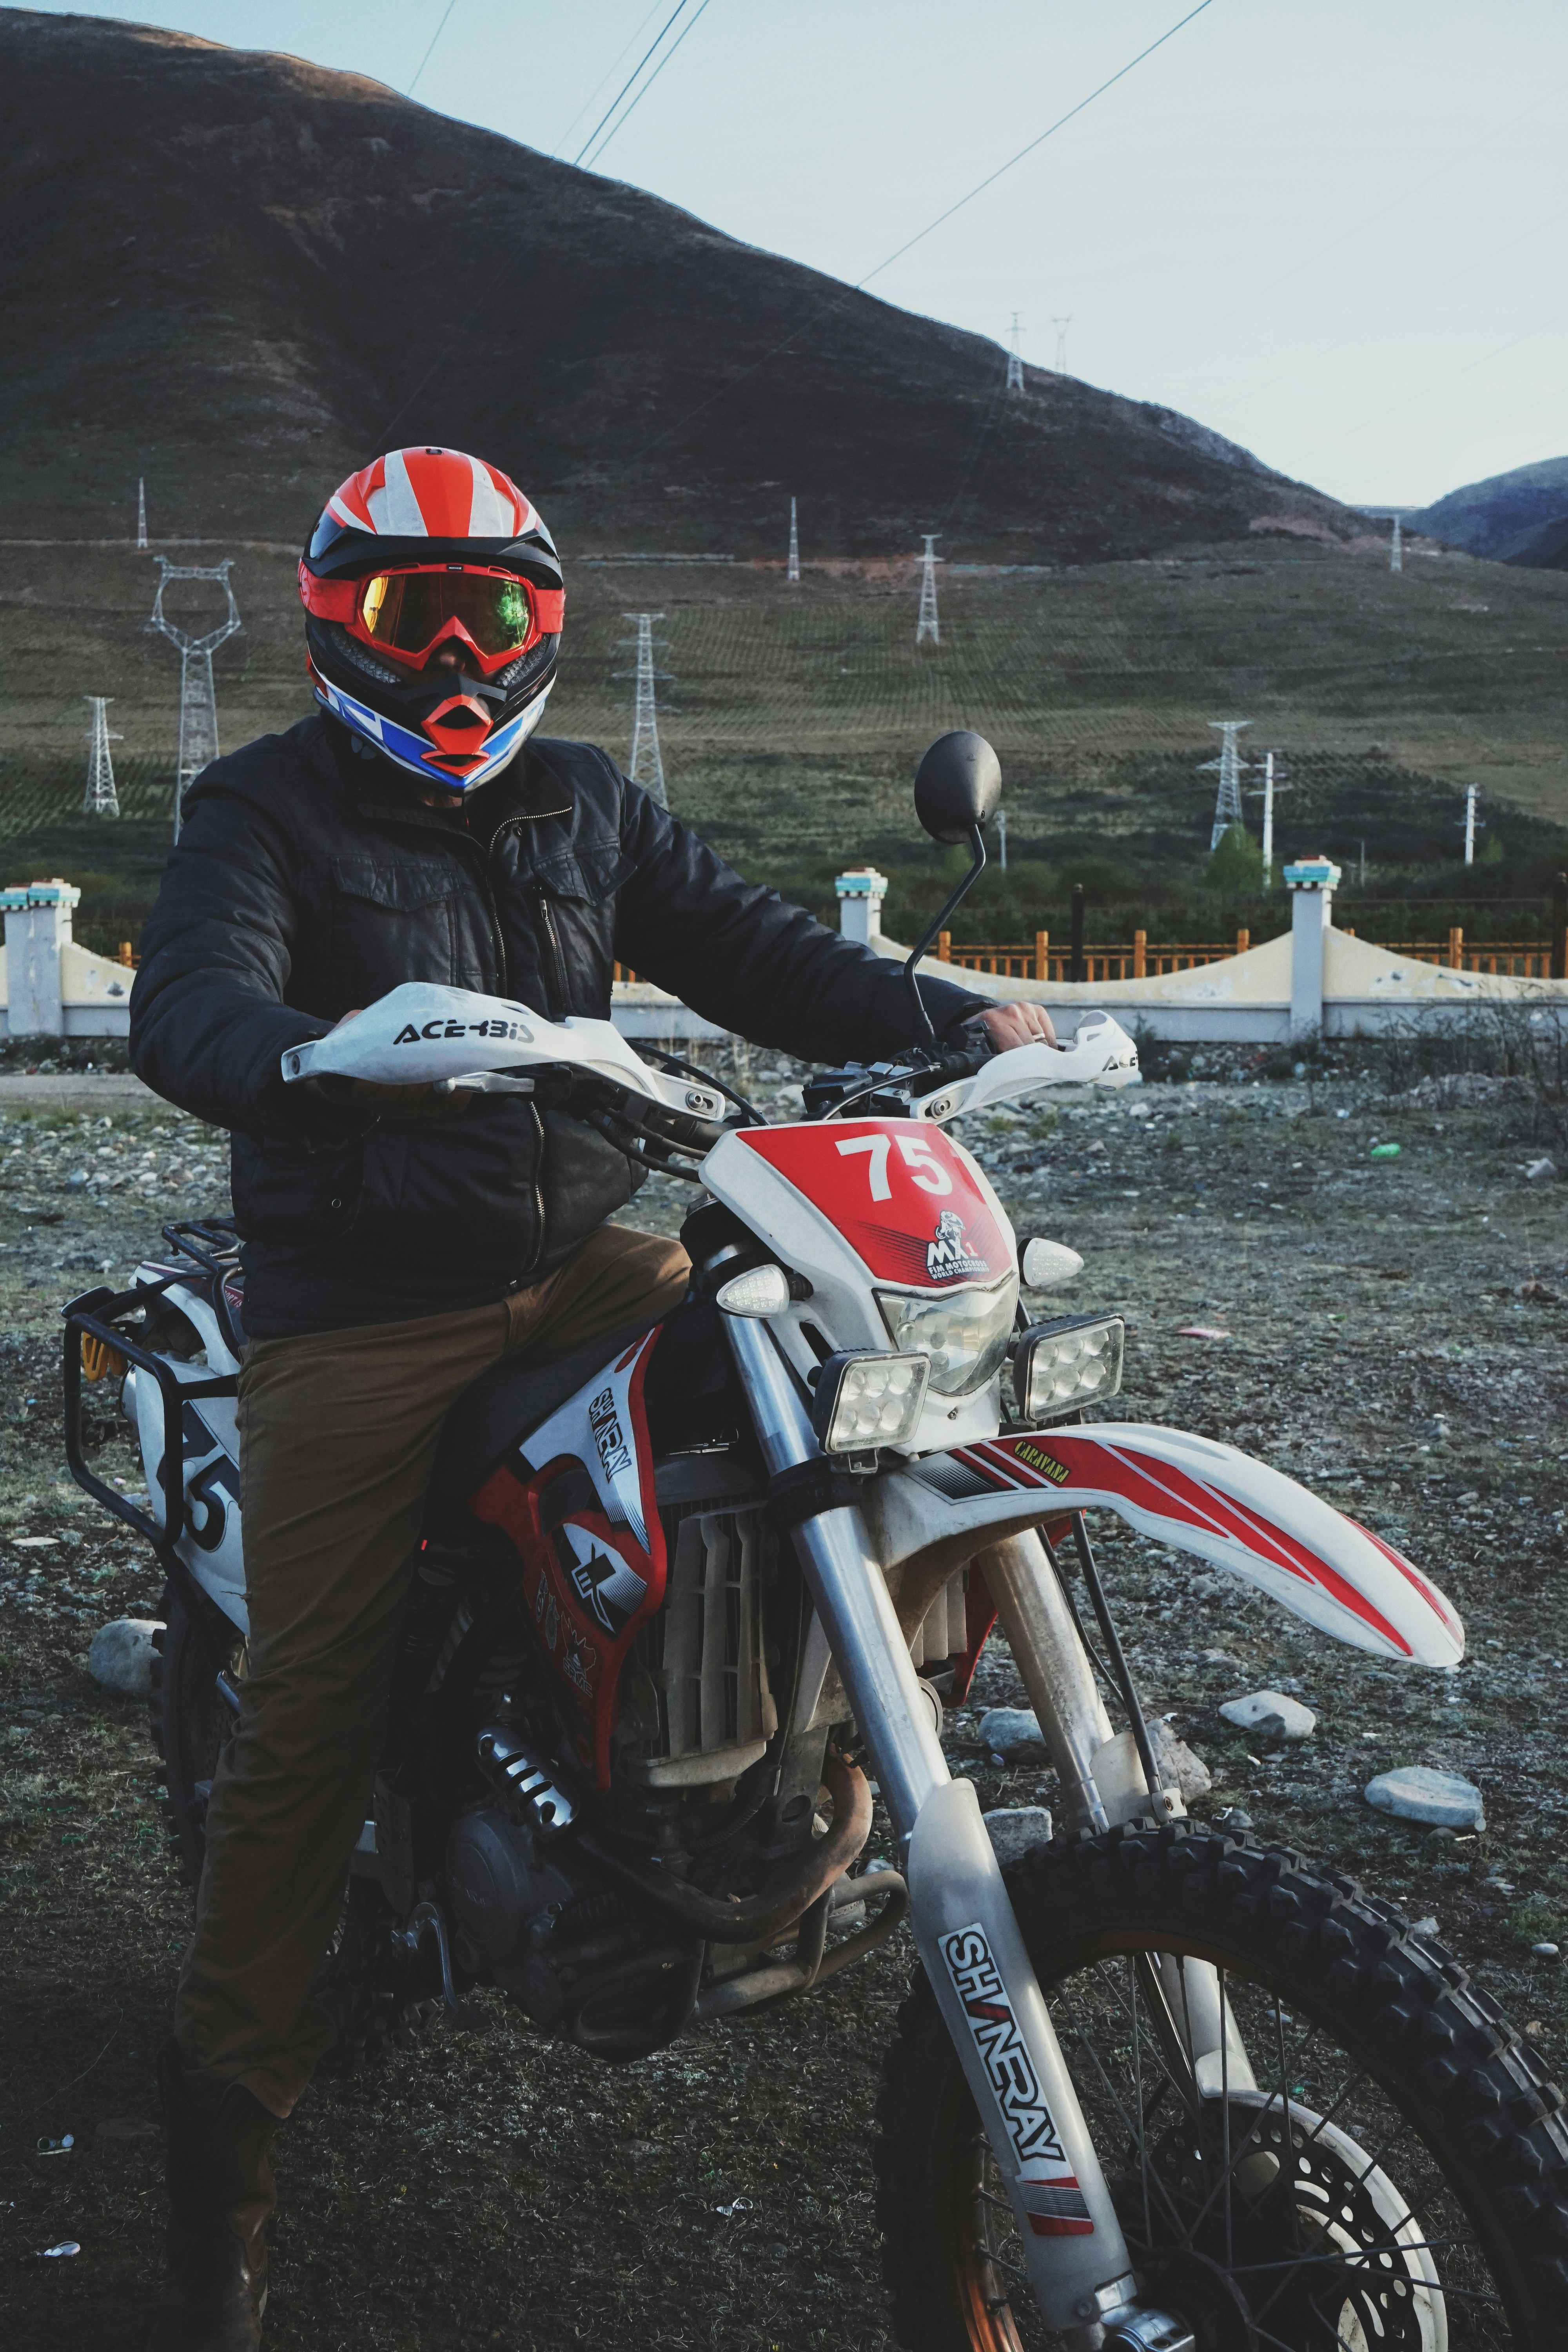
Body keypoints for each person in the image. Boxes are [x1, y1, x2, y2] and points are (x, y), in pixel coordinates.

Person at [128, 445, 1056, 2349]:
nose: (460, 648)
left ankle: (771, 1766)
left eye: (498, 613)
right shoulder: (261, 810)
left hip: (584, 1256)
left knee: (838, 1385)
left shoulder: (583, 802)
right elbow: (190, 1009)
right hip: (362, 1307)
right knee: (306, 1712)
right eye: (416, 613)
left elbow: (754, 948)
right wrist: (322, 1055)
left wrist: (942, 1010)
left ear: (549, 628)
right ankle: (224, 2163)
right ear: (339, 625)